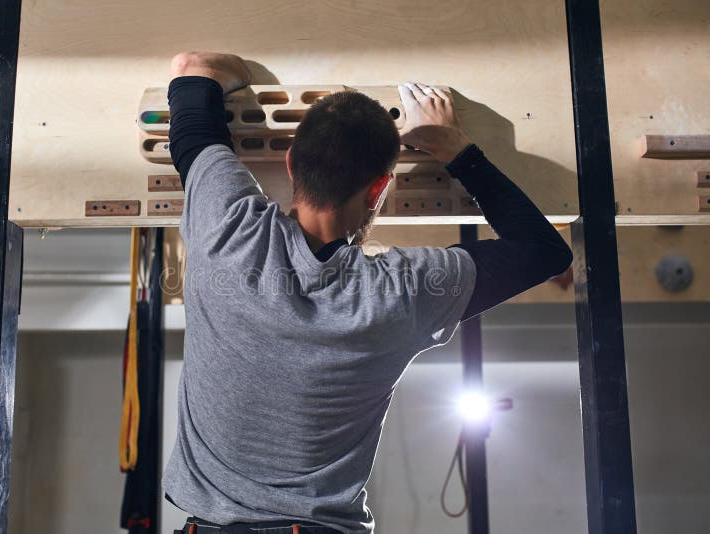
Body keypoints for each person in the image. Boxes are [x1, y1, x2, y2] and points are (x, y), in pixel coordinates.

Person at [162, 51, 572, 534]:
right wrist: (457, 150)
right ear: (378, 188)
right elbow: (543, 250)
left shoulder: (227, 234)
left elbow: (193, 73)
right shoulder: (400, 293)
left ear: (291, 163)